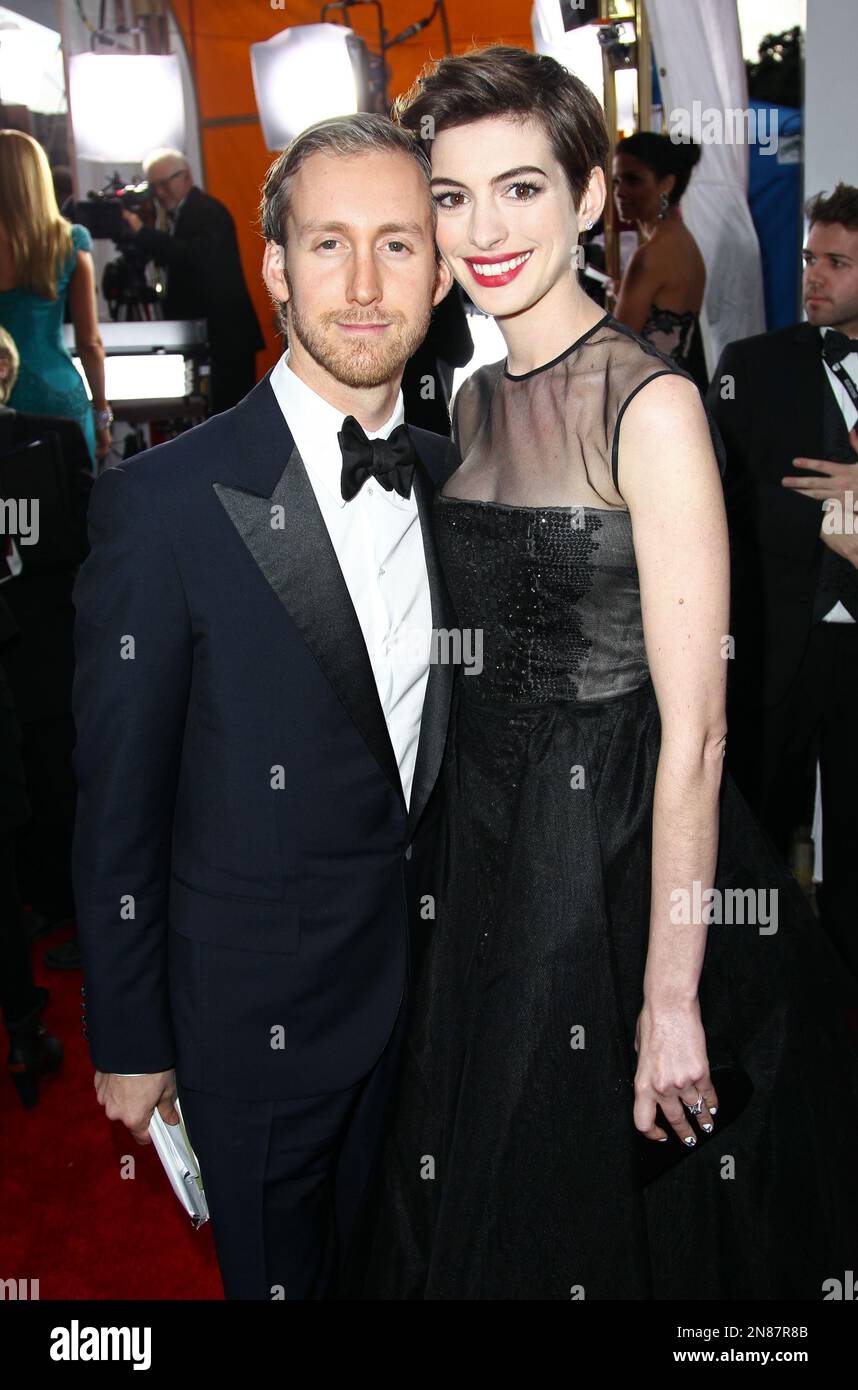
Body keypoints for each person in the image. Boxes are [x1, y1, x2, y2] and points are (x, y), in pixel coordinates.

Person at [361, 45, 858, 1300]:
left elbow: (697, 734)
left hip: (614, 848)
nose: (484, 229)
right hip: (481, 833)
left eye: (522, 188)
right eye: (454, 195)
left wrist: (672, 992)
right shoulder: (470, 403)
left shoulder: (653, 410)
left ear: (589, 199)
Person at [72, 113, 456, 1300]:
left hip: (435, 1005)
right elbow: (117, 796)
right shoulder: (162, 506)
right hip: (254, 1022)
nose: (362, 283)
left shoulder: (459, 476)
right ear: (276, 268)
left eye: (397, 245)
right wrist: (132, 1040)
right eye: (327, 244)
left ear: (439, 275)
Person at [707, 183, 858, 984]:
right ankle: (751, 1008)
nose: (814, 277)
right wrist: (833, 521)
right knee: (757, 840)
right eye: (810, 259)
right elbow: (716, 497)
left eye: (837, 262)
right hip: (776, 649)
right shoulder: (753, 368)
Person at [0, 327, 92, 969]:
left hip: (47, 639)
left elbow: (94, 542)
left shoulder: (50, 437)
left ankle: (77, 913)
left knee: (60, 776)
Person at [120, 148, 265, 414]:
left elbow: (191, 256)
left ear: (186, 177)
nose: (160, 193)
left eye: (165, 183)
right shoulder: (178, 215)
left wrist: (143, 234)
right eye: (154, 187)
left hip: (224, 342)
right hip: (207, 339)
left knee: (229, 420)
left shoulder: (208, 212)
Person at [0, 131, 112, 470]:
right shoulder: (70, 243)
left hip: (4, 392)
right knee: (69, 506)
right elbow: (90, 343)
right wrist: (102, 413)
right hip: (56, 391)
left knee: (14, 517)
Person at [611, 131, 708, 390]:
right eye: (616, 181)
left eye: (633, 180)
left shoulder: (650, 256)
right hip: (681, 392)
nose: (620, 191)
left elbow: (617, 349)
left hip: (649, 395)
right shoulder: (686, 244)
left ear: (666, 184)